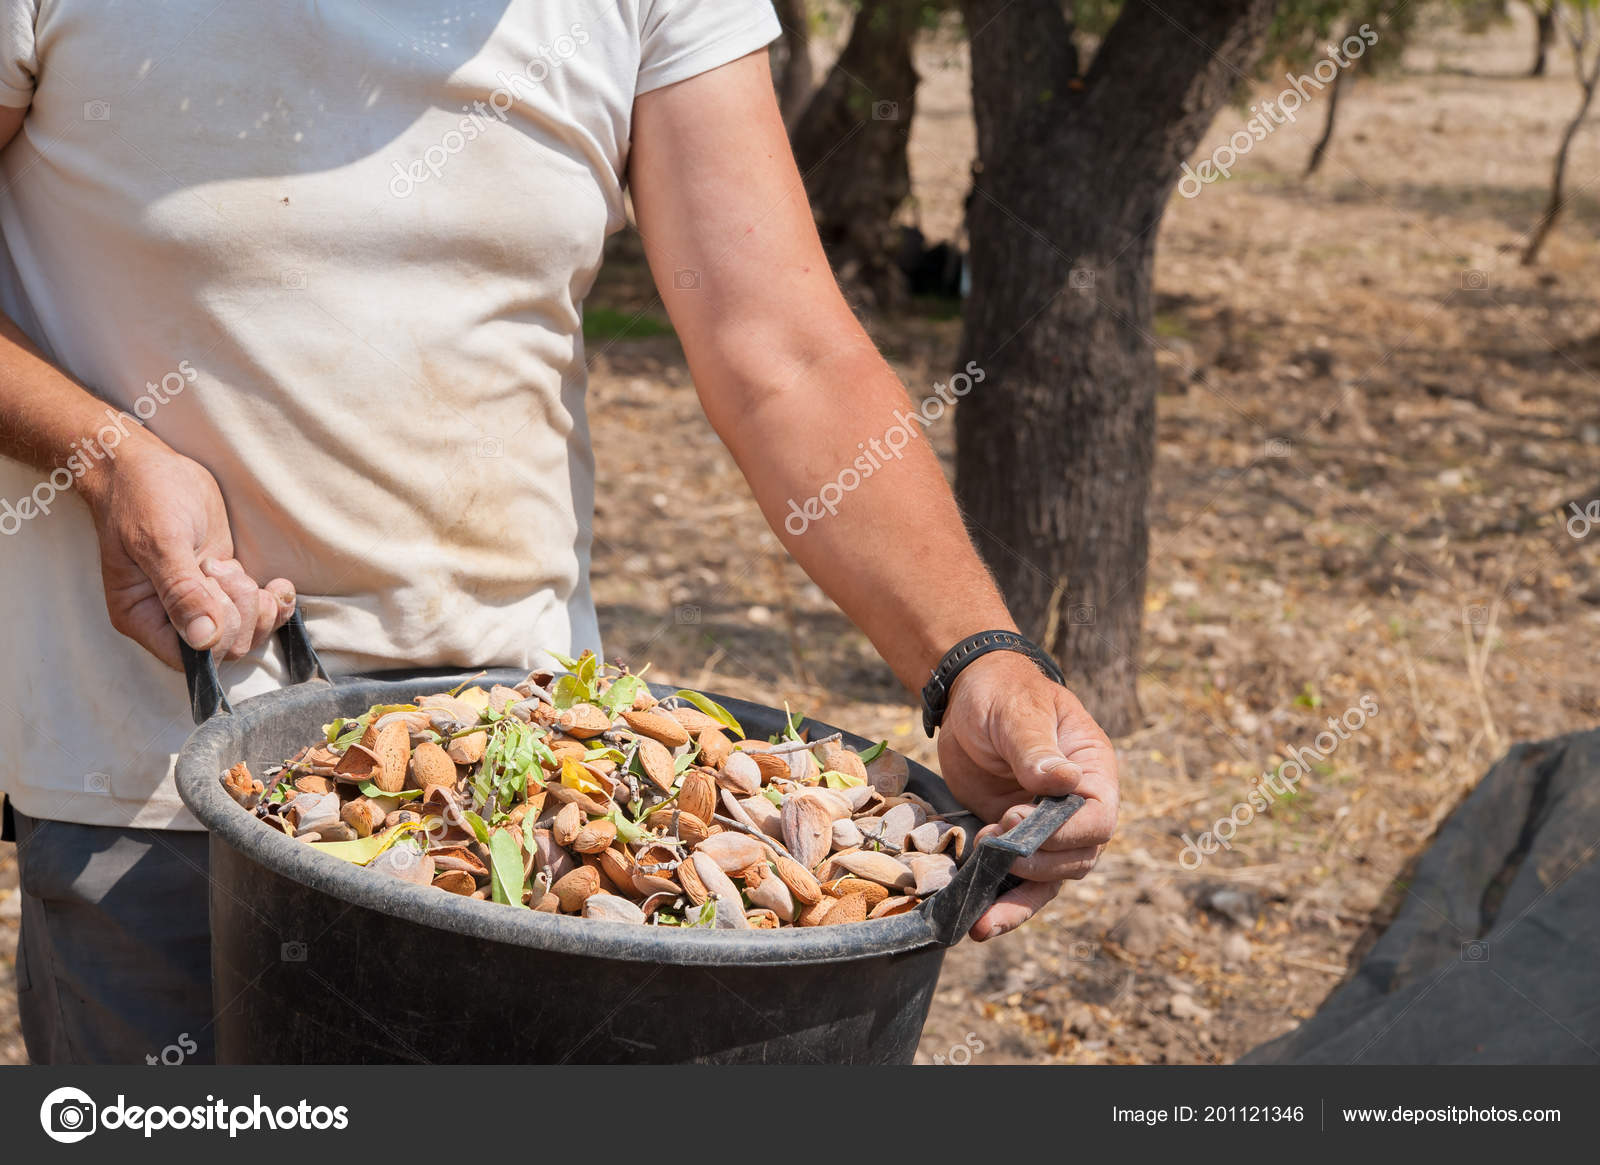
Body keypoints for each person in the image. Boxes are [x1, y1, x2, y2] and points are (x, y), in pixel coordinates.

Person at [0, 0, 1118, 1065]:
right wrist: (102, 456)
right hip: (159, 795)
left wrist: (976, 656)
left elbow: (781, 348)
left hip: (547, 815)